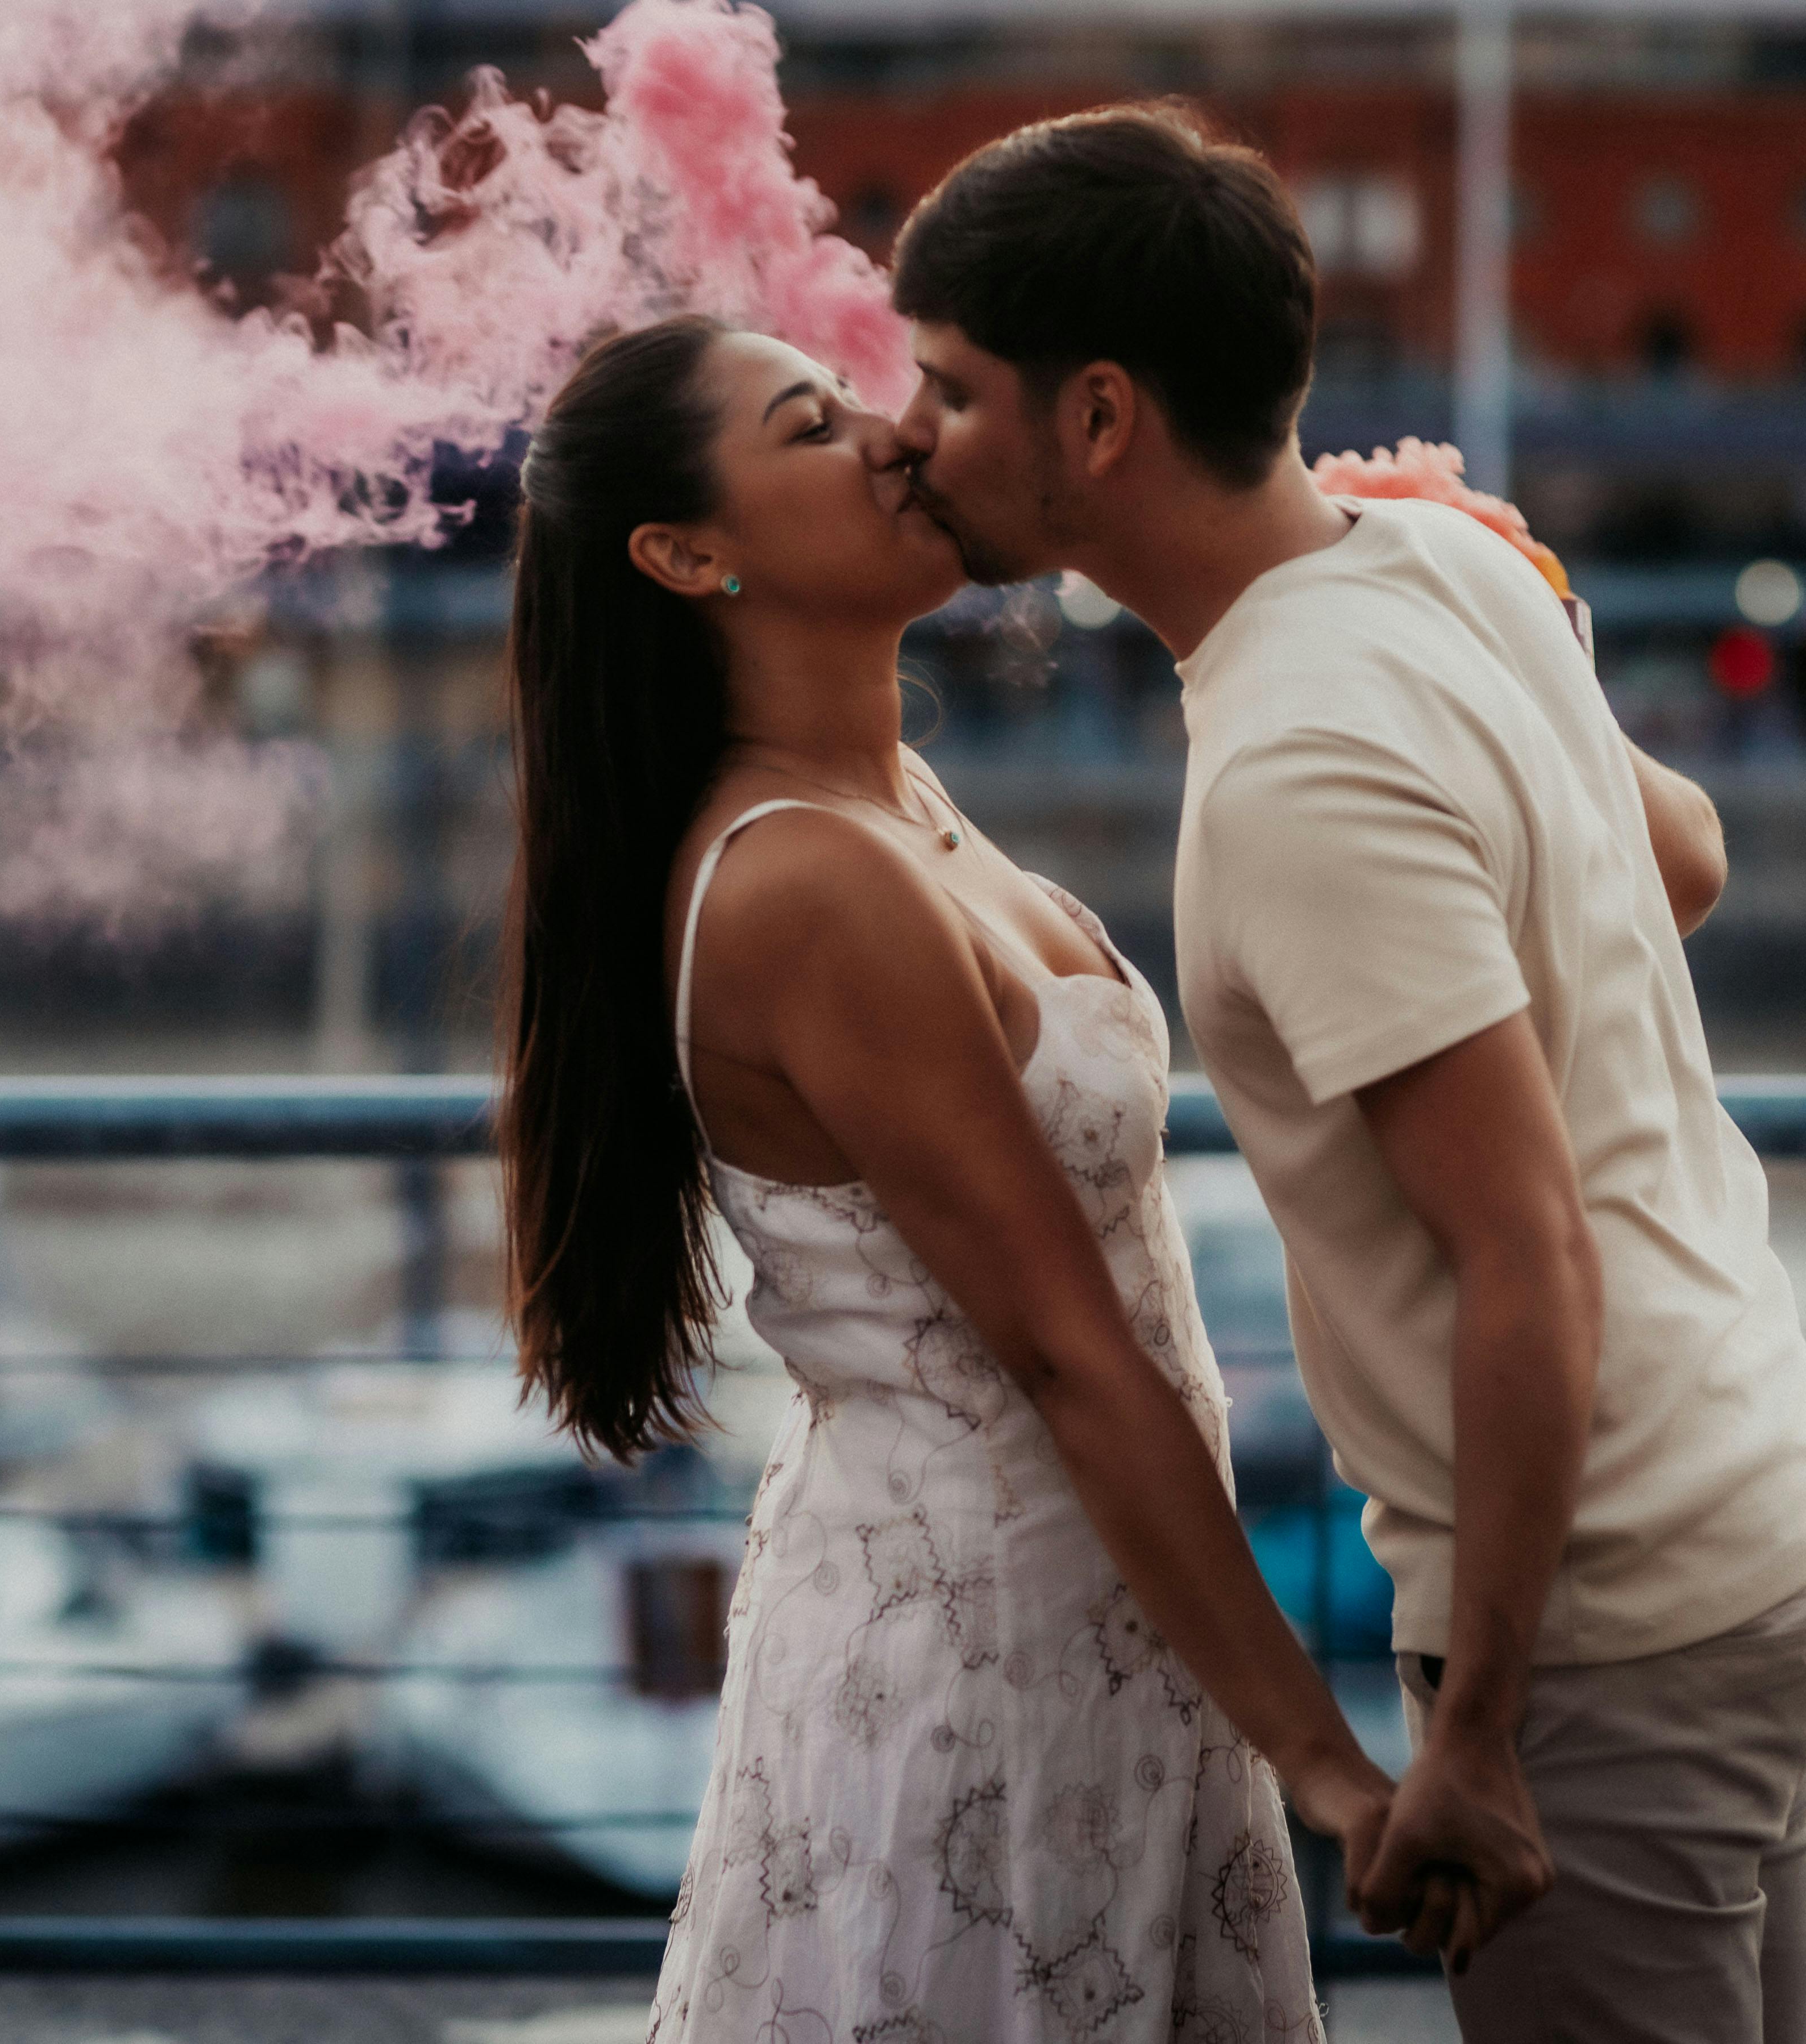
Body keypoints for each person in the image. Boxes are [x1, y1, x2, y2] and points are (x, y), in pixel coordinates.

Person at [888, 106, 1806, 2044]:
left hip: (1619, 1614)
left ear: (1098, 420)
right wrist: (1522, 627)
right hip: (1758, 1494)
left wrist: (1480, 1737)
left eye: (947, 388)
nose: (910, 432)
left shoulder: (1297, 764)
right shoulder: (1446, 565)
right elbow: (1673, 858)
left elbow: (1525, 1258)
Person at [494, 315, 1406, 2041]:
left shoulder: (897, 794)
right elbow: (1065, 1351)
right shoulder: (807, 883)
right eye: (811, 428)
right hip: (985, 1647)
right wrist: (1333, 1770)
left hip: (1095, 1605)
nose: (893, 437)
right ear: (688, 555)